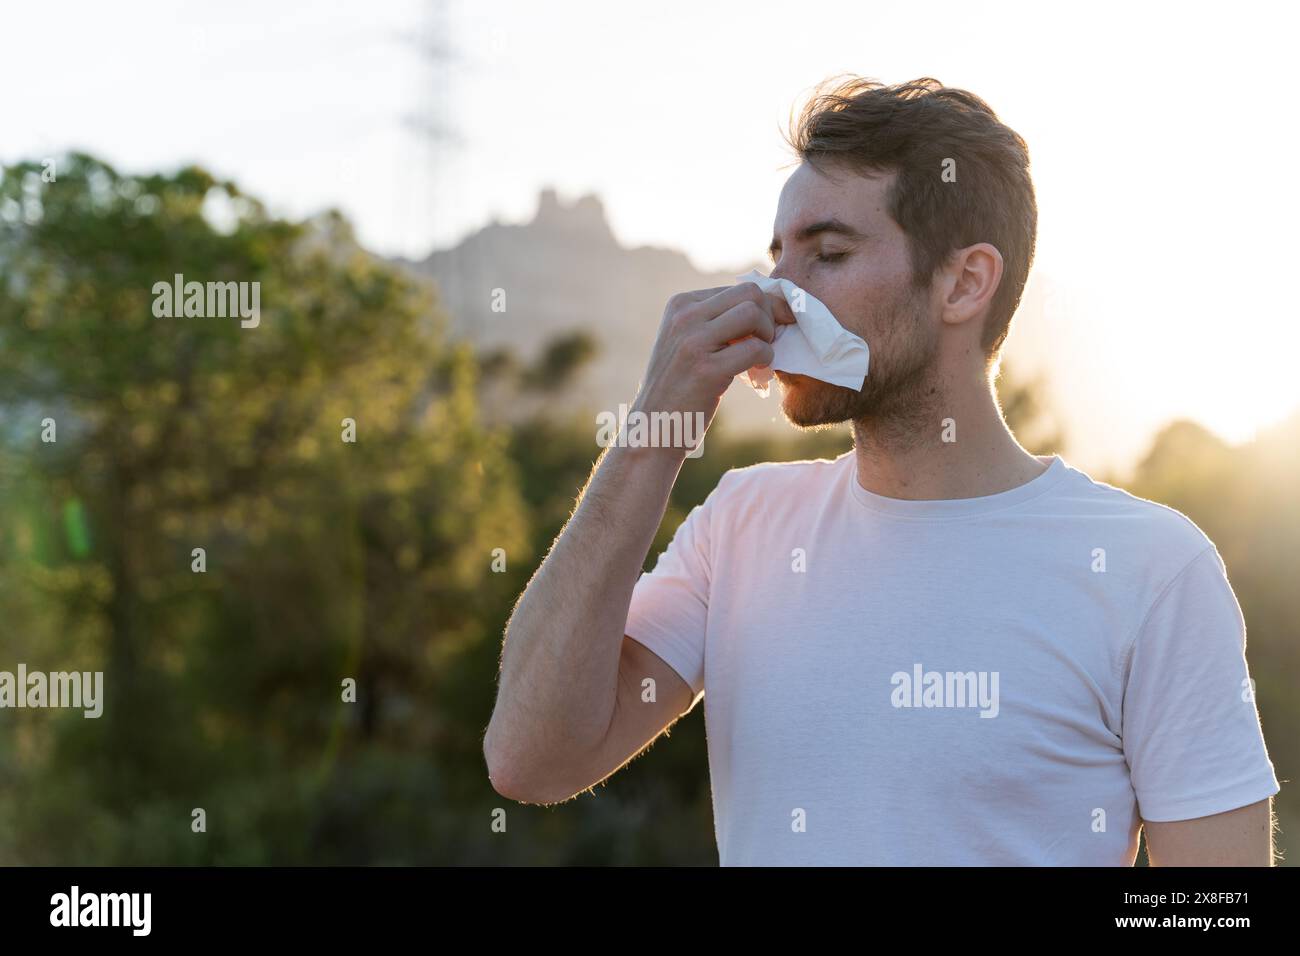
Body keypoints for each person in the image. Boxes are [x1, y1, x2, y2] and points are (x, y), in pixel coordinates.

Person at [484, 76, 1280, 865]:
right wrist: (655, 427)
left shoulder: (1153, 569)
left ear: (964, 283)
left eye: (827, 254)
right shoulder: (742, 525)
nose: (775, 295)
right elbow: (531, 758)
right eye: (776, 257)